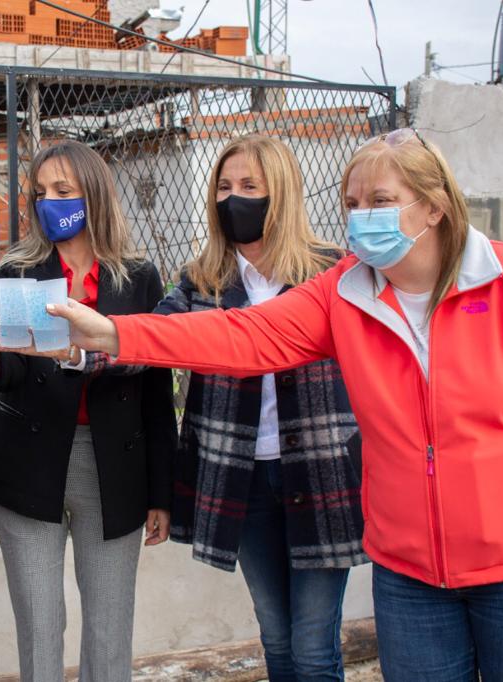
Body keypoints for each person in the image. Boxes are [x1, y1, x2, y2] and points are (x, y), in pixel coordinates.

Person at [51, 128, 503, 680]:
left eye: (381, 202)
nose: (363, 217)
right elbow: (242, 336)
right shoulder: (346, 290)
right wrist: (105, 334)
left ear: (434, 206)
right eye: (353, 204)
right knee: (283, 639)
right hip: (409, 572)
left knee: (315, 648)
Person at [0, 140, 177, 682]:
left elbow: (156, 389)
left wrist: (161, 492)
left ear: (92, 195)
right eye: (40, 193)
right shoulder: (18, 269)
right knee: (40, 628)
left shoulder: (137, 276)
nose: (49, 202)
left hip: (114, 468)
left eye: (63, 191)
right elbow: (11, 376)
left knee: (109, 628)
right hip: (30, 464)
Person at [154, 134, 365, 681]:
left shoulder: (335, 273)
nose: (233, 198)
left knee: (315, 644)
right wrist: (86, 345)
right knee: (275, 633)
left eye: (250, 186)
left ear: (284, 193)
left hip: (322, 473)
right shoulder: (205, 281)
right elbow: (152, 337)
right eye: (224, 187)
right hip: (239, 477)